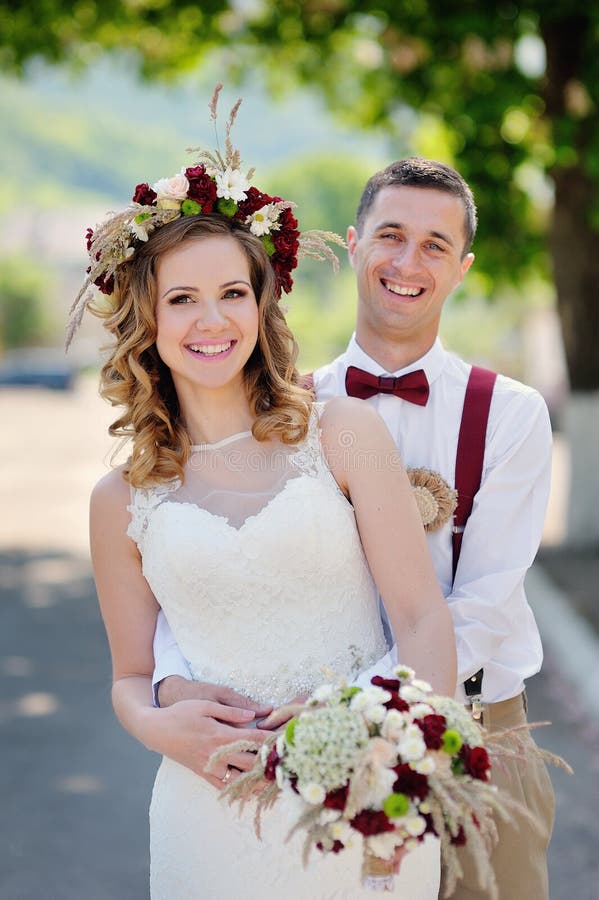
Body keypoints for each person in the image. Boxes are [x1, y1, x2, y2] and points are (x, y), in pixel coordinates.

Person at [77, 101, 457, 900]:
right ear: (146, 319)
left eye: (231, 294)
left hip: (360, 793)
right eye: (180, 300)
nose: (211, 321)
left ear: (262, 303)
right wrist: (155, 724)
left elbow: (422, 620)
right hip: (209, 813)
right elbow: (130, 674)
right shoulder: (119, 500)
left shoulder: (342, 434)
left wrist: (390, 755)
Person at [154, 157, 556, 900]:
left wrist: (355, 708)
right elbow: (203, 554)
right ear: (353, 242)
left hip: (470, 728)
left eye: (434, 245)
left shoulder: (509, 412)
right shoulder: (281, 408)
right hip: (300, 734)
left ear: (462, 267)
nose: (407, 262)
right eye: (390, 235)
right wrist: (168, 679)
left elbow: (486, 604)